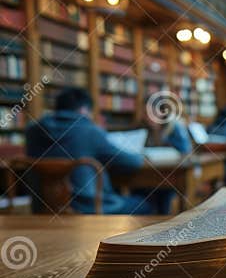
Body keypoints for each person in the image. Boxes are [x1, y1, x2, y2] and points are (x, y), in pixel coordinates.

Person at [25, 87, 153, 214]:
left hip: (43, 209)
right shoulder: (90, 131)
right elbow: (132, 162)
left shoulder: (32, 131)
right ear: (84, 110)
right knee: (145, 205)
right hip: (89, 210)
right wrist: (139, 154)